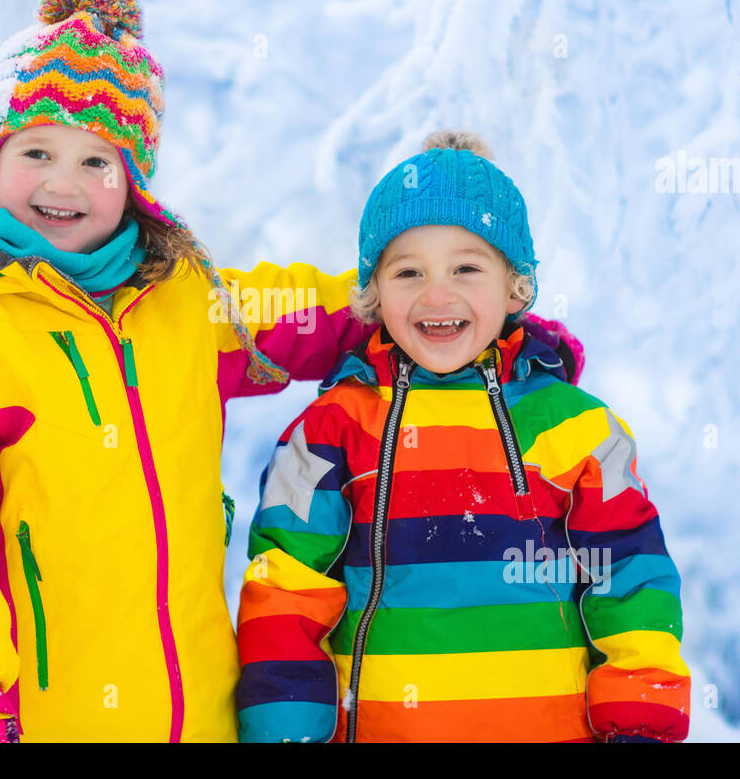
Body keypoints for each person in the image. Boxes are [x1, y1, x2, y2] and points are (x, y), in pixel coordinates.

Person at [0, 0, 374, 742]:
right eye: (36, 151)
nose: (62, 184)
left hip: (202, 721)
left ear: (132, 179)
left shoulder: (181, 305)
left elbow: (300, 312)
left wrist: (417, 299)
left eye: (95, 160)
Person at [235, 130, 691, 742]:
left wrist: (642, 726)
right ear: (372, 295)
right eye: (407, 272)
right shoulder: (331, 432)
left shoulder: (579, 430)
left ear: (515, 287)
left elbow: (631, 580)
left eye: (467, 268)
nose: (437, 294)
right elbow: (283, 592)